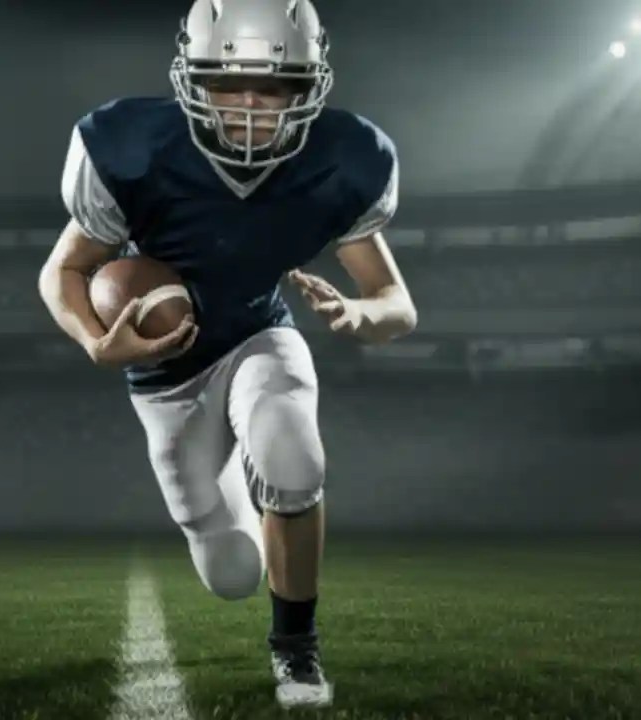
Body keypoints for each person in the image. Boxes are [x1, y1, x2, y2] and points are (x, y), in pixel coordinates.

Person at [37, 0, 417, 709]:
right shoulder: (133, 147)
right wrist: (94, 339)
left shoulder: (344, 158)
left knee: (294, 460)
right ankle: (236, 505)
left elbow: (397, 303)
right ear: (190, 77)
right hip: (164, 378)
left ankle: (296, 649)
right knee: (233, 572)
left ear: (308, 86)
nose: (248, 105)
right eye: (225, 82)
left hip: (256, 334)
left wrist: (359, 312)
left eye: (273, 86)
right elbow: (63, 271)